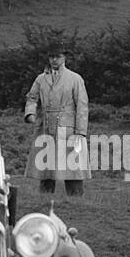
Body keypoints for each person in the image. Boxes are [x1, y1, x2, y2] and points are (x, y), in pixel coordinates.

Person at [24, 43, 90, 197]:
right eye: (51, 57)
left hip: (68, 129)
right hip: (46, 127)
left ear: (64, 57)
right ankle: (45, 199)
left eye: (58, 56)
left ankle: (76, 200)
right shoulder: (41, 79)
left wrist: (80, 132)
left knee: (72, 168)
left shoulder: (75, 78)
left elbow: (82, 105)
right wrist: (30, 113)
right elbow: (31, 97)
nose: (54, 60)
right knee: (46, 167)